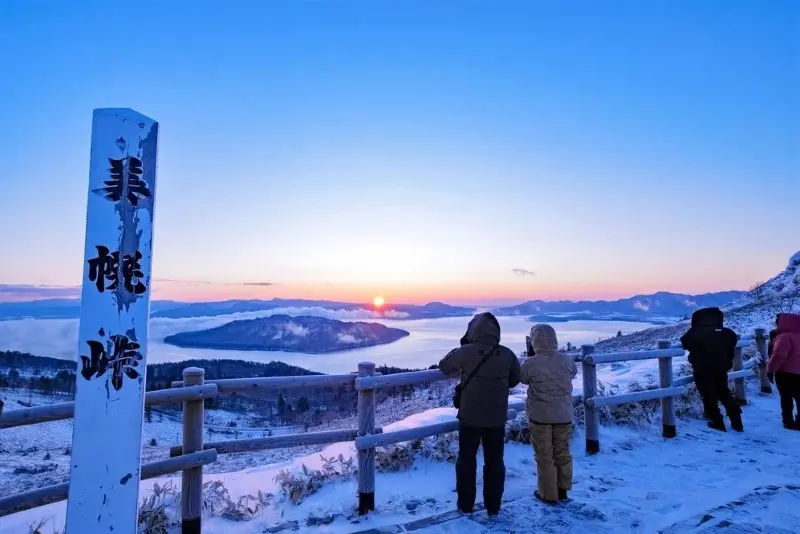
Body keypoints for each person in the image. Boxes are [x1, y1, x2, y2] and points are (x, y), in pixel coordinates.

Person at [439, 312, 521, 516]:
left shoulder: (465, 352)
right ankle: (493, 506)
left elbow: (444, 367)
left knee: (466, 460)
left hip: (470, 418)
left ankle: (466, 504)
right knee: (495, 461)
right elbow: (514, 380)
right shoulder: (507, 354)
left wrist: (460, 348)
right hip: (496, 418)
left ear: (472, 331)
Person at [520, 324, 577, 505]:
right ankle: (563, 490)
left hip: (540, 417)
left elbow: (522, 379)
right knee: (563, 452)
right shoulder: (567, 360)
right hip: (563, 415)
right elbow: (573, 373)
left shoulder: (531, 363)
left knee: (545, 456)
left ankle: (548, 494)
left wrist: (532, 356)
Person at [680, 307, 743, 432]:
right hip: (721, 368)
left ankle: (717, 422)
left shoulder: (695, 332)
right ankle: (737, 422)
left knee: (708, 395)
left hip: (702, 369)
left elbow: (685, 343)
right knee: (724, 393)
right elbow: (731, 346)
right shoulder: (728, 333)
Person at [766, 313, 800, 430]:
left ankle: (788, 422)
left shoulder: (785, 337)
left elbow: (778, 356)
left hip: (786, 373)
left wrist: (770, 370)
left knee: (786, 397)